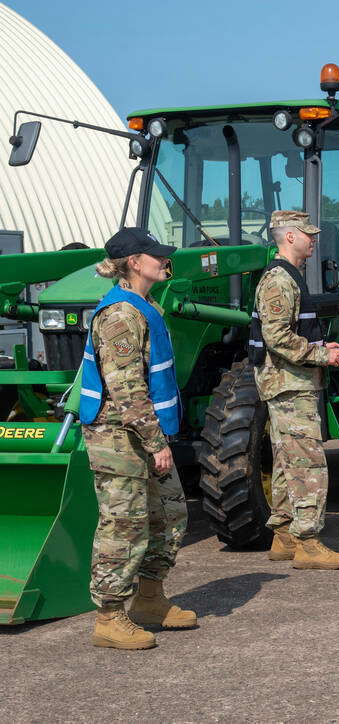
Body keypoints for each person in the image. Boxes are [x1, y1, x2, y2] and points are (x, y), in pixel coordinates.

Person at [80, 227, 195, 650]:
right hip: (120, 437)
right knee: (123, 525)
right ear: (134, 263)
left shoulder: (144, 305)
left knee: (169, 515)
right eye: (157, 256)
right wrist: (156, 442)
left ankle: (149, 599)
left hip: (143, 434)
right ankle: (110, 617)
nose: (165, 261)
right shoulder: (121, 316)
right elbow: (126, 388)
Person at [250, 210, 339, 569]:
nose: (314, 240)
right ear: (289, 236)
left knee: (286, 459)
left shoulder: (287, 277)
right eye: (308, 234)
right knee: (308, 461)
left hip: (289, 382)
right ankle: (308, 542)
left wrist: (328, 350)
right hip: (289, 384)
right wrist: (324, 355)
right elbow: (277, 337)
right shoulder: (280, 280)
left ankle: (283, 534)